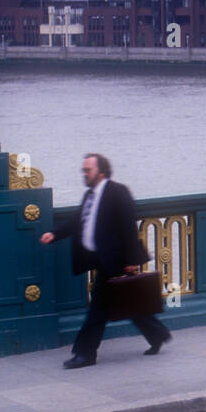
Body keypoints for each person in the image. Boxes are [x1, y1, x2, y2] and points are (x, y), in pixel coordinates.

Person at [39, 153, 171, 368]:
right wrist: (54, 234)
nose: (84, 174)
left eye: (87, 170)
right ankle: (158, 334)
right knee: (129, 302)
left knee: (97, 310)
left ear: (101, 171)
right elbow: (76, 221)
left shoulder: (118, 192)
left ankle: (85, 353)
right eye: (83, 170)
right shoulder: (90, 195)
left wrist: (131, 260)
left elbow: (128, 227)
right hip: (101, 260)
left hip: (117, 261)